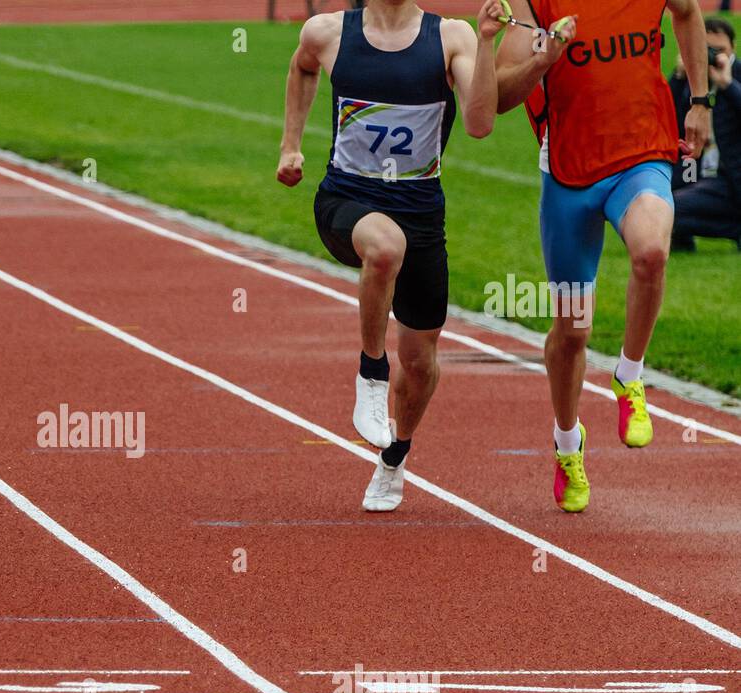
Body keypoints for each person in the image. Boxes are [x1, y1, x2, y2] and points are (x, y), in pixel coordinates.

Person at [277, 0, 508, 512]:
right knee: (384, 248)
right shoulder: (328, 31)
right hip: (345, 202)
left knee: (422, 363)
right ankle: (370, 372)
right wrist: (290, 145)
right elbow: (302, 66)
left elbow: (480, 124)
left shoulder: (451, 38)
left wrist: (489, 41)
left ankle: (394, 458)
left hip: (421, 211)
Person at [496, 0, 711, 513]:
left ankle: (629, 376)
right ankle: (568, 444)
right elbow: (501, 95)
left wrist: (701, 100)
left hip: (643, 153)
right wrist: (543, 58)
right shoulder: (532, 4)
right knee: (572, 332)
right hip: (570, 172)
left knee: (652, 252)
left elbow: (687, 11)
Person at [672, 17, 741, 251]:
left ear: (733, 47)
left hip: (732, 178)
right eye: (706, 49)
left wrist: (728, 86)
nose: (712, 56)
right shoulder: (691, 76)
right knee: (662, 207)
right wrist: (680, 77)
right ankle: (682, 236)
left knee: (670, 208)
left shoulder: (736, 75)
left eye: (719, 50)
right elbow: (669, 117)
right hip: (695, 173)